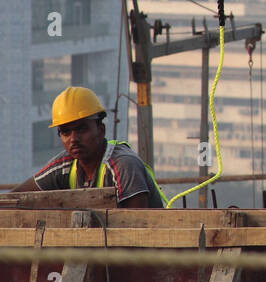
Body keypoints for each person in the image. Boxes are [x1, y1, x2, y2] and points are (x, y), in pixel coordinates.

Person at [13, 86, 165, 208]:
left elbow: (139, 228)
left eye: (82, 129)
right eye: (65, 132)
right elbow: (12, 200)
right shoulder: (65, 166)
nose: (74, 139)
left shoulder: (124, 165)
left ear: (101, 130)